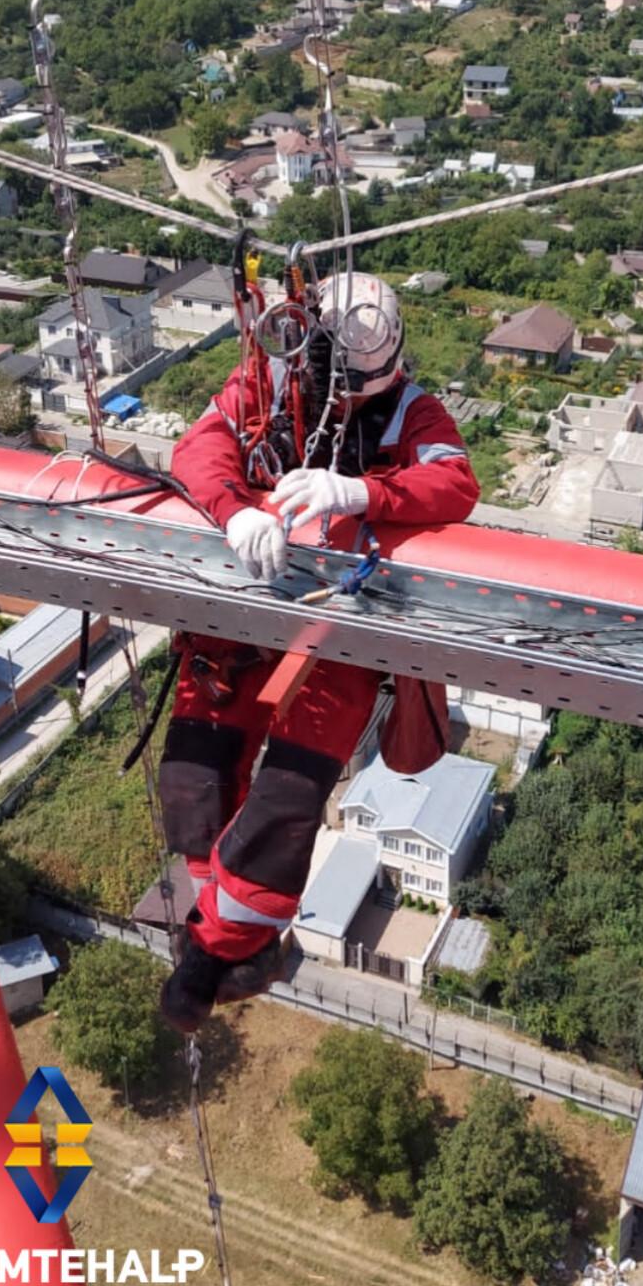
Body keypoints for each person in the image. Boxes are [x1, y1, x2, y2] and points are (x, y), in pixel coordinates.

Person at [158, 271, 479, 1031]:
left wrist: (364, 495)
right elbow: (198, 449)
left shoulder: (410, 409)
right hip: (249, 606)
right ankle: (225, 930)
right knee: (191, 775)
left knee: (289, 796)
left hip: (342, 625)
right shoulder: (266, 384)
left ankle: (218, 950)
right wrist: (235, 512)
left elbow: (452, 482)